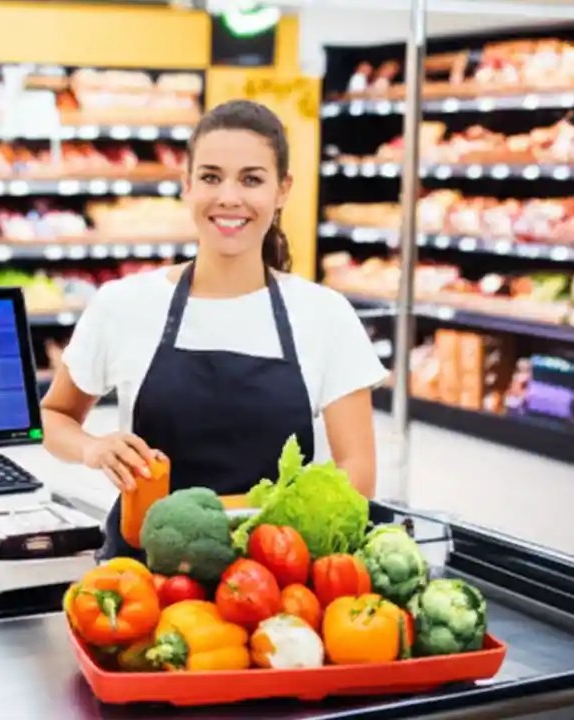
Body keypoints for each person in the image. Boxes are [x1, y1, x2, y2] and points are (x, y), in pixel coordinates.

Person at [39, 99, 389, 561]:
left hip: (272, 577)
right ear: (186, 186)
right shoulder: (124, 305)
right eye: (210, 177)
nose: (229, 197)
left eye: (251, 179)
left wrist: (282, 518)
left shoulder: (324, 315)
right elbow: (53, 417)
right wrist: (92, 447)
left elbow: (358, 470)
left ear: (283, 190)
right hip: (146, 576)